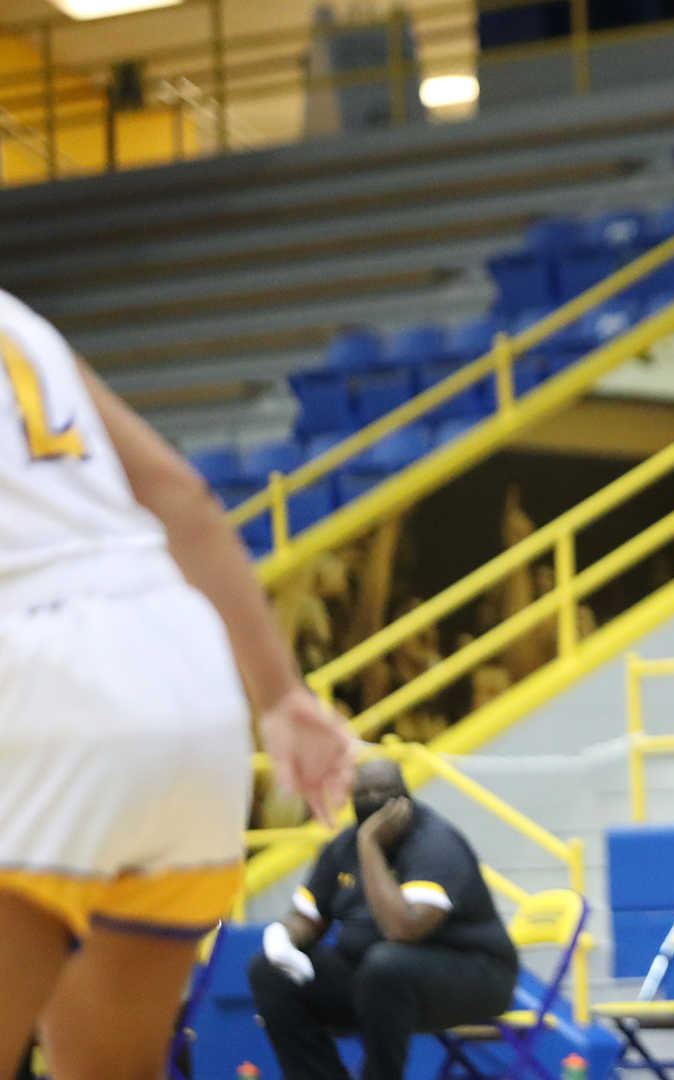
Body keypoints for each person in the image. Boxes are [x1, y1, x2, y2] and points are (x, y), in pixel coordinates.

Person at [0, 287, 356, 1077]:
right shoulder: (21, 324)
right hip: (187, 680)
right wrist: (281, 696)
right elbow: (178, 491)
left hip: (44, 683)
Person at [248, 759, 520, 1080]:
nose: (373, 798)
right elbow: (307, 916)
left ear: (404, 796)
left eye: (384, 790)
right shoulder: (341, 846)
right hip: (378, 978)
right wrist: (281, 941)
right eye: (362, 792)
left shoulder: (435, 842)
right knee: (269, 972)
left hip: (474, 974)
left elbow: (403, 929)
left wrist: (369, 845)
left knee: (385, 966)